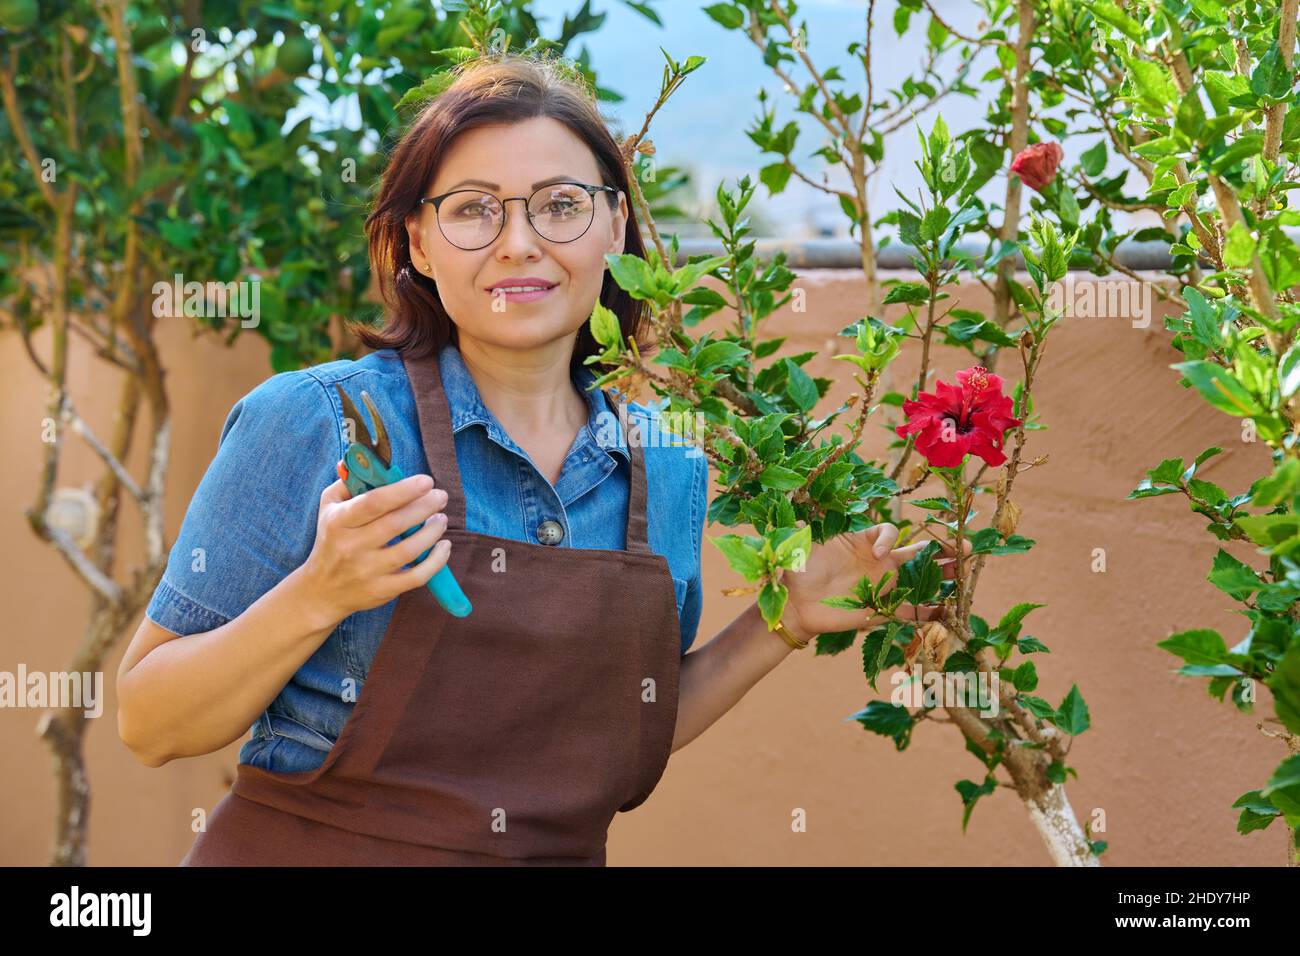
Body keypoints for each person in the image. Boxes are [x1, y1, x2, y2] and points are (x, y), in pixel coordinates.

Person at [116, 52, 950, 866]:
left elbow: (624, 731)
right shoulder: (320, 421)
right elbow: (150, 724)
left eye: (559, 205)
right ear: (418, 241)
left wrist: (785, 622)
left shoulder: (669, 470)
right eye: (474, 209)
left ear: (616, 225)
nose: (518, 243)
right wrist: (321, 592)